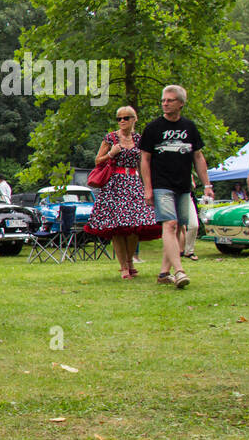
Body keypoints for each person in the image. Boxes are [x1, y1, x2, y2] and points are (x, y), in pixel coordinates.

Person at [139, 85, 213, 288]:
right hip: (161, 184)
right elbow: (144, 160)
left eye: (170, 100)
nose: (165, 103)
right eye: (163, 100)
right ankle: (179, 271)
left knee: (179, 227)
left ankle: (164, 273)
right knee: (169, 225)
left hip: (183, 185)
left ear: (181, 103)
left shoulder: (190, 127)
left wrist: (207, 184)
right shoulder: (153, 128)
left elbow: (198, 156)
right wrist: (147, 188)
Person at [85, 105, 160, 279]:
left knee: (134, 226)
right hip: (114, 185)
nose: (122, 121)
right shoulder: (110, 138)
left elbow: (143, 164)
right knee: (117, 228)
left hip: (133, 184)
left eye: (126, 118)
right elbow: (98, 161)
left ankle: (130, 261)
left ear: (134, 119)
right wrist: (111, 153)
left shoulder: (139, 139)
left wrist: (147, 186)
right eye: (119, 118)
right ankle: (123, 267)